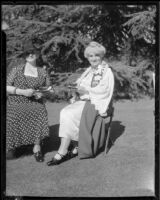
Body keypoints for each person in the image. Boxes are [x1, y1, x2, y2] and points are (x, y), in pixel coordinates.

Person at [47, 41, 114, 166]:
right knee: (65, 112)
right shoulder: (88, 71)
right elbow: (79, 84)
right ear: (87, 57)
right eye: (90, 56)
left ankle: (62, 151)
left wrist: (86, 90)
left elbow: (105, 90)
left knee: (68, 114)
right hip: (83, 101)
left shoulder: (106, 71)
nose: (93, 58)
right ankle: (75, 146)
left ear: (101, 56)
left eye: (96, 55)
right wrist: (75, 89)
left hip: (96, 103)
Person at [6, 40, 50, 162]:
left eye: (32, 52)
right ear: (24, 56)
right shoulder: (16, 69)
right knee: (13, 115)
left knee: (40, 111)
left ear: (37, 54)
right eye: (27, 53)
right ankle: (14, 146)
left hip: (35, 102)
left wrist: (42, 94)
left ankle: (37, 147)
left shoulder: (42, 72)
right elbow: (6, 86)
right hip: (16, 101)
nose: (30, 55)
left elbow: (49, 89)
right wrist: (23, 92)